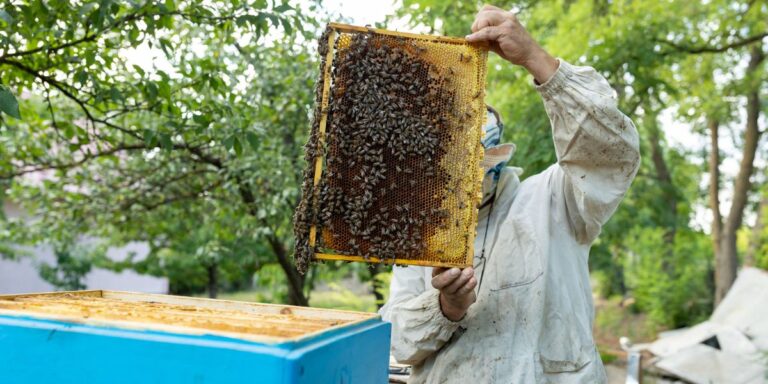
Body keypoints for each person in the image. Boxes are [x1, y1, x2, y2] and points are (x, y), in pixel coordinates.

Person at [380, 5, 641, 383]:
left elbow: (611, 153)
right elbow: (397, 342)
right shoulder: (417, 234)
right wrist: (446, 306)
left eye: (468, 162)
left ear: (495, 156)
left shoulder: (555, 199)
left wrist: (537, 60)